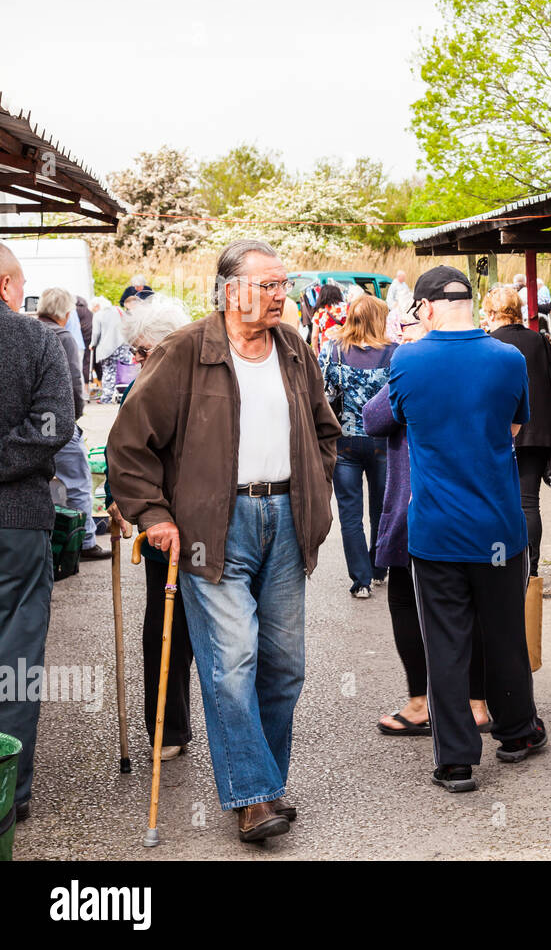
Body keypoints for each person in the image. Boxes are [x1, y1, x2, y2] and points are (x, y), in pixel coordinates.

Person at [108, 238, 340, 843]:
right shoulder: (187, 351)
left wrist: (316, 489)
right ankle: (254, 799)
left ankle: (264, 782)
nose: (279, 296)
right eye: (266, 285)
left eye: (281, 285)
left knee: (284, 667)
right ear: (229, 289)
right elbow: (130, 443)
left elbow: (324, 428)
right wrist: (154, 514)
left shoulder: (293, 348)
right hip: (214, 528)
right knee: (232, 660)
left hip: (286, 519)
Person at [387, 265, 546, 793]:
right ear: (470, 303)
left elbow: (397, 420)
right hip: (498, 524)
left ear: (426, 308)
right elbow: (514, 429)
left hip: (435, 528)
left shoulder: (407, 359)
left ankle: (455, 760)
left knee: (446, 642)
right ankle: (518, 733)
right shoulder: (510, 357)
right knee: (504, 634)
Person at [363, 309, 493, 737]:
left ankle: (420, 703)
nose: (401, 332)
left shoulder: (413, 365)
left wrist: (406, 357)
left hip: (417, 502)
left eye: (411, 324)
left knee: (404, 598)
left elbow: (374, 418)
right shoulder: (482, 360)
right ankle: (476, 704)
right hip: (473, 502)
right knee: (471, 606)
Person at [0, 243, 75, 824]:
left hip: (18, 519)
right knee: (15, 659)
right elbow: (56, 420)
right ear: (6, 286)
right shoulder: (37, 340)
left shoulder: (35, 340)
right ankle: (8, 794)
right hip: (18, 519)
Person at [103, 296, 196, 760]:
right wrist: (117, 502)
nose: (137, 362)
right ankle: (168, 728)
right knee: (164, 630)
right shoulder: (136, 389)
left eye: (144, 352)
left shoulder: (206, 383)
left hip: (213, 526)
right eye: (136, 353)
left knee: (226, 635)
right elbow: (119, 454)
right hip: (162, 530)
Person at [482, 286, 551, 646]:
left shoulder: (487, 345)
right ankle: (531, 570)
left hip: (503, 431)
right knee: (529, 502)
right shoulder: (539, 341)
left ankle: (504, 567)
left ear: (492, 312)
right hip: (540, 430)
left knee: (501, 504)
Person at [319, 294, 396, 599]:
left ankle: (360, 580)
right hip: (382, 440)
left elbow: (323, 393)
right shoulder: (394, 353)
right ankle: (379, 566)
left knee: (350, 513)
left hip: (344, 441)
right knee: (381, 507)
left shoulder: (333, 349)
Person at [36, 288, 110, 560]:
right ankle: (86, 541)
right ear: (67, 314)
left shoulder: (30, 330)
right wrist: (75, 418)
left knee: (44, 484)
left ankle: (50, 540)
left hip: (33, 424)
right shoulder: (63, 337)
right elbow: (74, 383)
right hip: (60, 424)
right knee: (78, 483)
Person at [310, 282, 346, 354]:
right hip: (345, 346)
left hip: (327, 349)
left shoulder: (320, 312)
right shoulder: (346, 308)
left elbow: (314, 336)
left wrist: (316, 351)